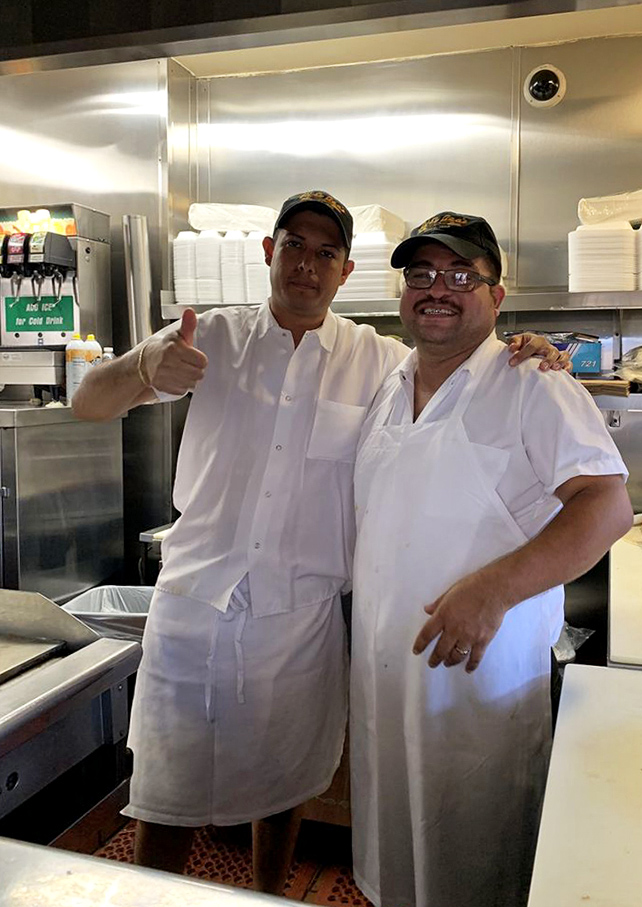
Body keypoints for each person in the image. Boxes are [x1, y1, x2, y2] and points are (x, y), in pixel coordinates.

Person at [72, 191, 567, 893]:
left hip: (299, 617)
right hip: (192, 608)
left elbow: (464, 362)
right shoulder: (202, 335)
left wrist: (533, 350)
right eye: (295, 245)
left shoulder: (378, 360)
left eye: (326, 251)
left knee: (283, 790)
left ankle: (269, 894)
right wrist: (144, 366)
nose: (308, 262)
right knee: (165, 790)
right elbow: (87, 401)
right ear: (270, 253)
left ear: (346, 270)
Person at [349, 211, 633, 907]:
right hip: (388, 687)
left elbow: (607, 505)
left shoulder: (532, 382)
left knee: (474, 866)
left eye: (460, 275)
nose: (437, 288)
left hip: (476, 688)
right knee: (396, 871)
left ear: (496, 296)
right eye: (421, 274)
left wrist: (496, 588)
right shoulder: (390, 383)